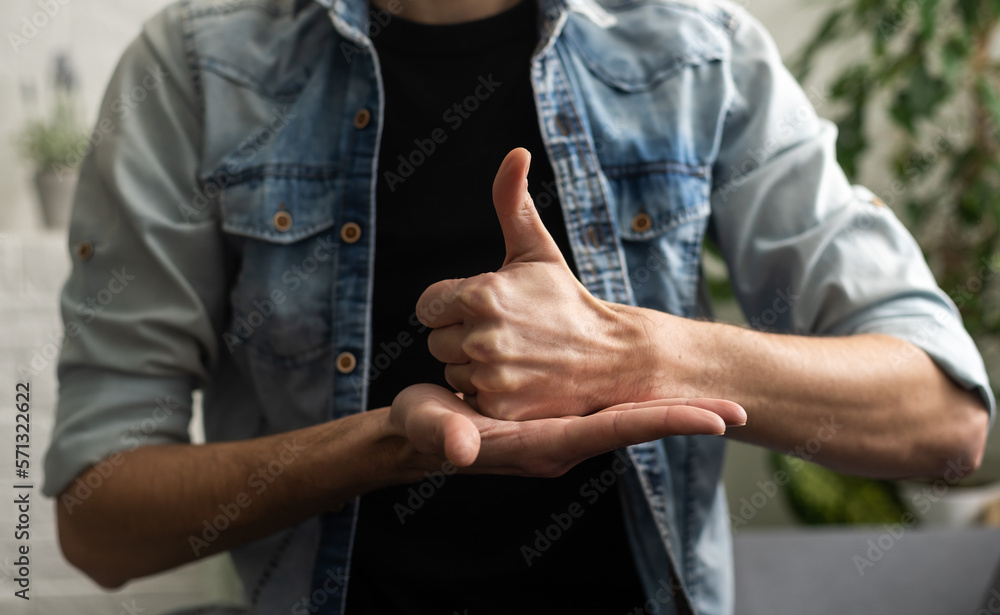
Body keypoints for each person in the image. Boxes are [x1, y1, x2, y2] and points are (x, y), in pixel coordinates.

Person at [43, 0, 993, 613]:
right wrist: (386, 443)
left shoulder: (701, 52)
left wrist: (631, 352)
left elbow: (944, 418)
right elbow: (99, 517)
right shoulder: (197, 70)